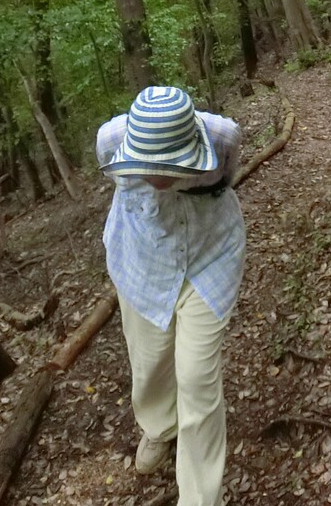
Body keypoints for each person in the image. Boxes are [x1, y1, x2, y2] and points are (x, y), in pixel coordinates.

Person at [97, 85, 245, 506]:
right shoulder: (109, 141)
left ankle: (201, 498)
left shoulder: (221, 138)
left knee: (197, 376)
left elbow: (227, 177)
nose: (158, 176)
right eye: (148, 165)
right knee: (150, 359)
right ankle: (159, 426)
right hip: (141, 255)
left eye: (170, 165)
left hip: (210, 254)